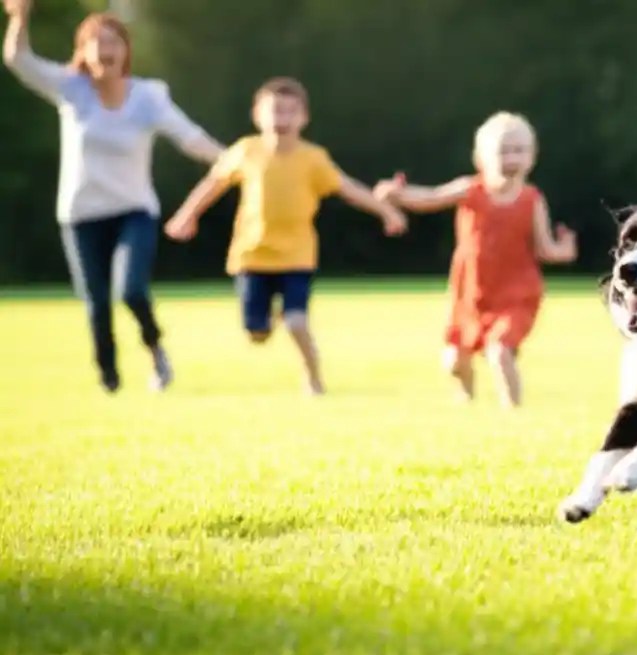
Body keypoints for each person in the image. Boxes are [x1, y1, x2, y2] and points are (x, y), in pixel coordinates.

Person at [3, 1, 224, 393]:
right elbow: (19, 60)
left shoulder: (149, 96)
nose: (105, 50)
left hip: (133, 210)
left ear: (125, 50)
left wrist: (234, 161)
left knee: (132, 290)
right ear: (83, 53)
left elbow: (189, 136)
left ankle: (155, 351)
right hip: (81, 214)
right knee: (96, 304)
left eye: (113, 42)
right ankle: (110, 379)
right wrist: (20, 17)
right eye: (95, 43)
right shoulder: (70, 89)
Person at [163, 77, 407, 396]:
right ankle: (268, 320)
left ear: (304, 118)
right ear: (257, 115)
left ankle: (313, 376)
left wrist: (386, 211)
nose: (282, 118)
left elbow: (347, 187)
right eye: (275, 110)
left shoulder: (312, 158)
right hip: (252, 256)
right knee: (257, 333)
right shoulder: (245, 151)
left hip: (297, 256)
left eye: (291, 112)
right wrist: (186, 215)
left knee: (295, 321)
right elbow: (213, 184)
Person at [373, 111, 578, 408]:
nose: (511, 157)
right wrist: (398, 194)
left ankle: (513, 412)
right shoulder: (470, 189)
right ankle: (466, 398)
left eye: (518, 150)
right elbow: (430, 197)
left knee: (500, 350)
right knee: (455, 360)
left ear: (531, 157)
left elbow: (544, 247)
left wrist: (566, 249)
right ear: (482, 158)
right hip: (471, 292)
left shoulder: (532, 199)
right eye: (503, 150)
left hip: (516, 292)